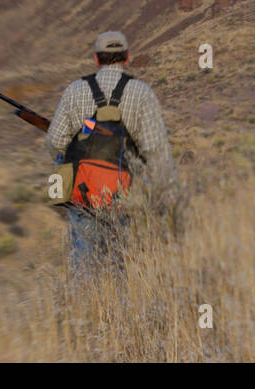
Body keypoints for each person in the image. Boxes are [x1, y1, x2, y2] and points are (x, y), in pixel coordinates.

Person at [45, 30, 178, 270]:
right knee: (121, 263)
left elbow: (55, 141)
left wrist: (69, 158)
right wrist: (166, 196)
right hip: (124, 195)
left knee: (83, 264)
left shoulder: (75, 90)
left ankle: (87, 304)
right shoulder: (142, 93)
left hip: (82, 196)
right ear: (126, 57)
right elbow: (156, 150)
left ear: (96, 59)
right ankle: (117, 304)